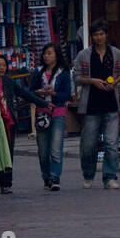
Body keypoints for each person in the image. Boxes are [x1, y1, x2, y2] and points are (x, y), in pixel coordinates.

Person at [0, 53, 43, 194]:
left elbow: (25, 94)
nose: (1, 68)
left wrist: (42, 102)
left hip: (8, 123)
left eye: (4, 65)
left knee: (7, 154)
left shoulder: (9, 82)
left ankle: (5, 184)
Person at [74, 19, 120, 189]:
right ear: (92, 37)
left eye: (101, 34)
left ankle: (110, 177)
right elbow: (76, 77)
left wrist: (115, 82)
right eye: (96, 34)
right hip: (91, 106)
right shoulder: (84, 55)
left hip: (111, 104)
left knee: (112, 144)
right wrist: (93, 81)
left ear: (106, 35)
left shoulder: (115, 53)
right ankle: (88, 174)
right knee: (89, 144)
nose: (99, 37)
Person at [28, 43, 73, 191]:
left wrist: (54, 94)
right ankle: (46, 176)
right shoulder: (37, 72)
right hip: (42, 112)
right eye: (45, 53)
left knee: (56, 147)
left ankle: (55, 177)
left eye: (50, 53)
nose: (46, 56)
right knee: (42, 150)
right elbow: (31, 92)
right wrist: (39, 94)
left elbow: (67, 94)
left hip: (58, 112)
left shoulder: (64, 73)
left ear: (56, 55)